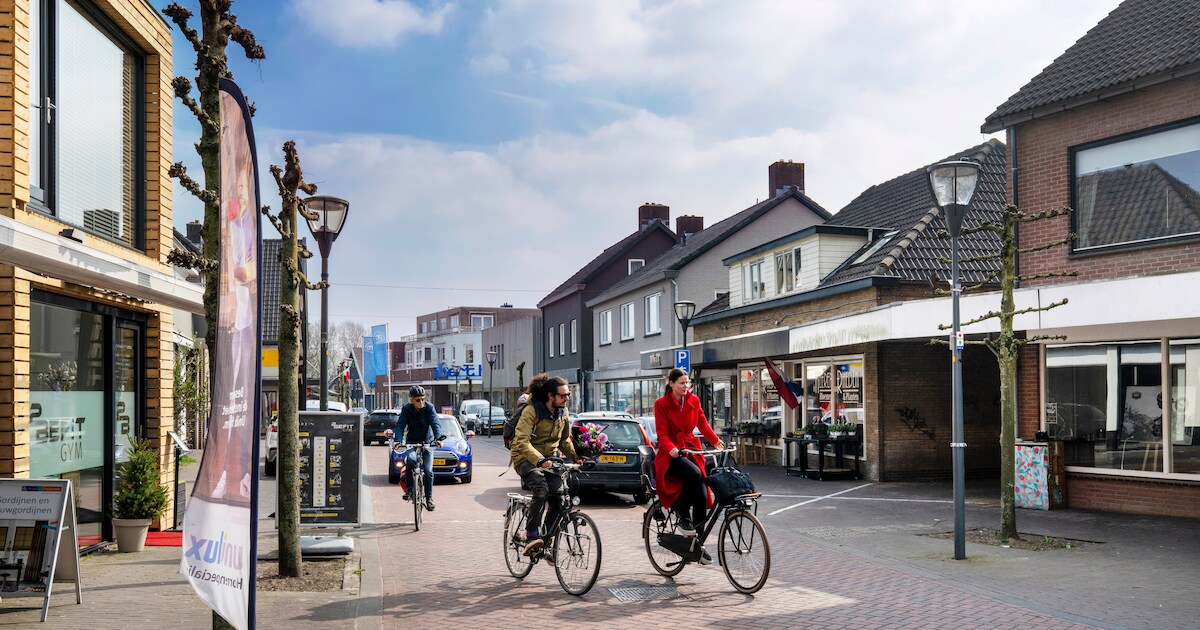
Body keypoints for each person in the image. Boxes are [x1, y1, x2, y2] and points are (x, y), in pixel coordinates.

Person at [510, 374, 579, 556]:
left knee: (558, 497)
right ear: (551, 396)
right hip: (524, 457)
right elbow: (522, 441)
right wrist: (539, 459)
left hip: (550, 459)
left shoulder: (562, 412)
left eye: (568, 395)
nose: (567, 399)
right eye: (563, 395)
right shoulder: (531, 411)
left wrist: (576, 456)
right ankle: (531, 535)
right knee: (541, 489)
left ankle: (545, 540)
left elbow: (564, 440)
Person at [654, 368, 724, 542]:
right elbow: (662, 434)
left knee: (701, 494)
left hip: (690, 449)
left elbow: (703, 423)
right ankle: (683, 512)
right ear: (672, 384)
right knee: (695, 473)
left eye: (687, 382)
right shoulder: (661, 404)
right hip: (670, 455)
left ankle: (697, 543)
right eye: (682, 383)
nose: (686, 386)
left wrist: (715, 440)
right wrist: (671, 449)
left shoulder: (694, 400)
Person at [396, 385, 443, 511]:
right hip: (412, 441)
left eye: (423, 399)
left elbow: (435, 423)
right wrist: (398, 440)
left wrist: (438, 439)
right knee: (411, 460)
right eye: (418, 400)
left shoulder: (429, 408)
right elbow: (400, 425)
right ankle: (410, 490)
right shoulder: (406, 409)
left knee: (428, 470)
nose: (421, 402)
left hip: (427, 442)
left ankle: (429, 499)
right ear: (411, 400)